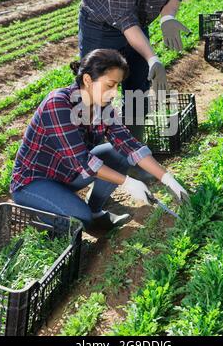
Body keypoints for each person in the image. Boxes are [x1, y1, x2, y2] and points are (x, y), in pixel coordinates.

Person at [10, 49, 189, 232]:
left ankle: (94, 210)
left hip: (68, 173)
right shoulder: (57, 104)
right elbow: (82, 161)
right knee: (79, 219)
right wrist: (127, 182)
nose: (114, 93)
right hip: (34, 181)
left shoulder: (102, 107)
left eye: (117, 86)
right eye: (110, 85)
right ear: (88, 80)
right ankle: (41, 217)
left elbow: (129, 144)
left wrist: (167, 178)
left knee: (119, 154)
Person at [78, 0, 192, 143]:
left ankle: (133, 153)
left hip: (138, 25)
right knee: (98, 91)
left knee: (138, 89)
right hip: (102, 25)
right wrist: (152, 57)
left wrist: (167, 17)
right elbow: (125, 20)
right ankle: (92, 156)